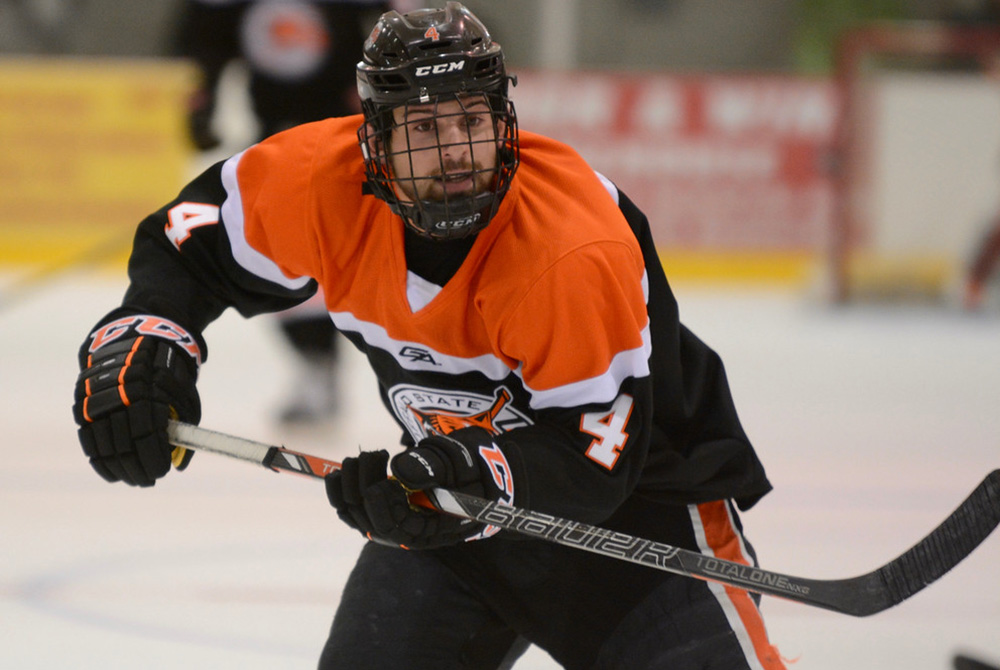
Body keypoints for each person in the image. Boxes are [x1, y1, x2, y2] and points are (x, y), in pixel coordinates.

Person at [72, 3, 787, 668]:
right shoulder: (321, 182)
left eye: (471, 121)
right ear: (373, 134)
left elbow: (595, 453)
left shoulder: (568, 249)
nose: (454, 153)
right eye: (423, 128)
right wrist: (146, 341)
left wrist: (464, 478)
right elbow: (186, 245)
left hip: (634, 526)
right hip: (448, 509)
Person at [174, 0, 401, 424]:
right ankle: (314, 363)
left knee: (347, 260)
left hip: (348, 139)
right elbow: (207, 40)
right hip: (276, 139)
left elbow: (393, 25)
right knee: (276, 254)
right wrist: (202, 106)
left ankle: (386, 371)